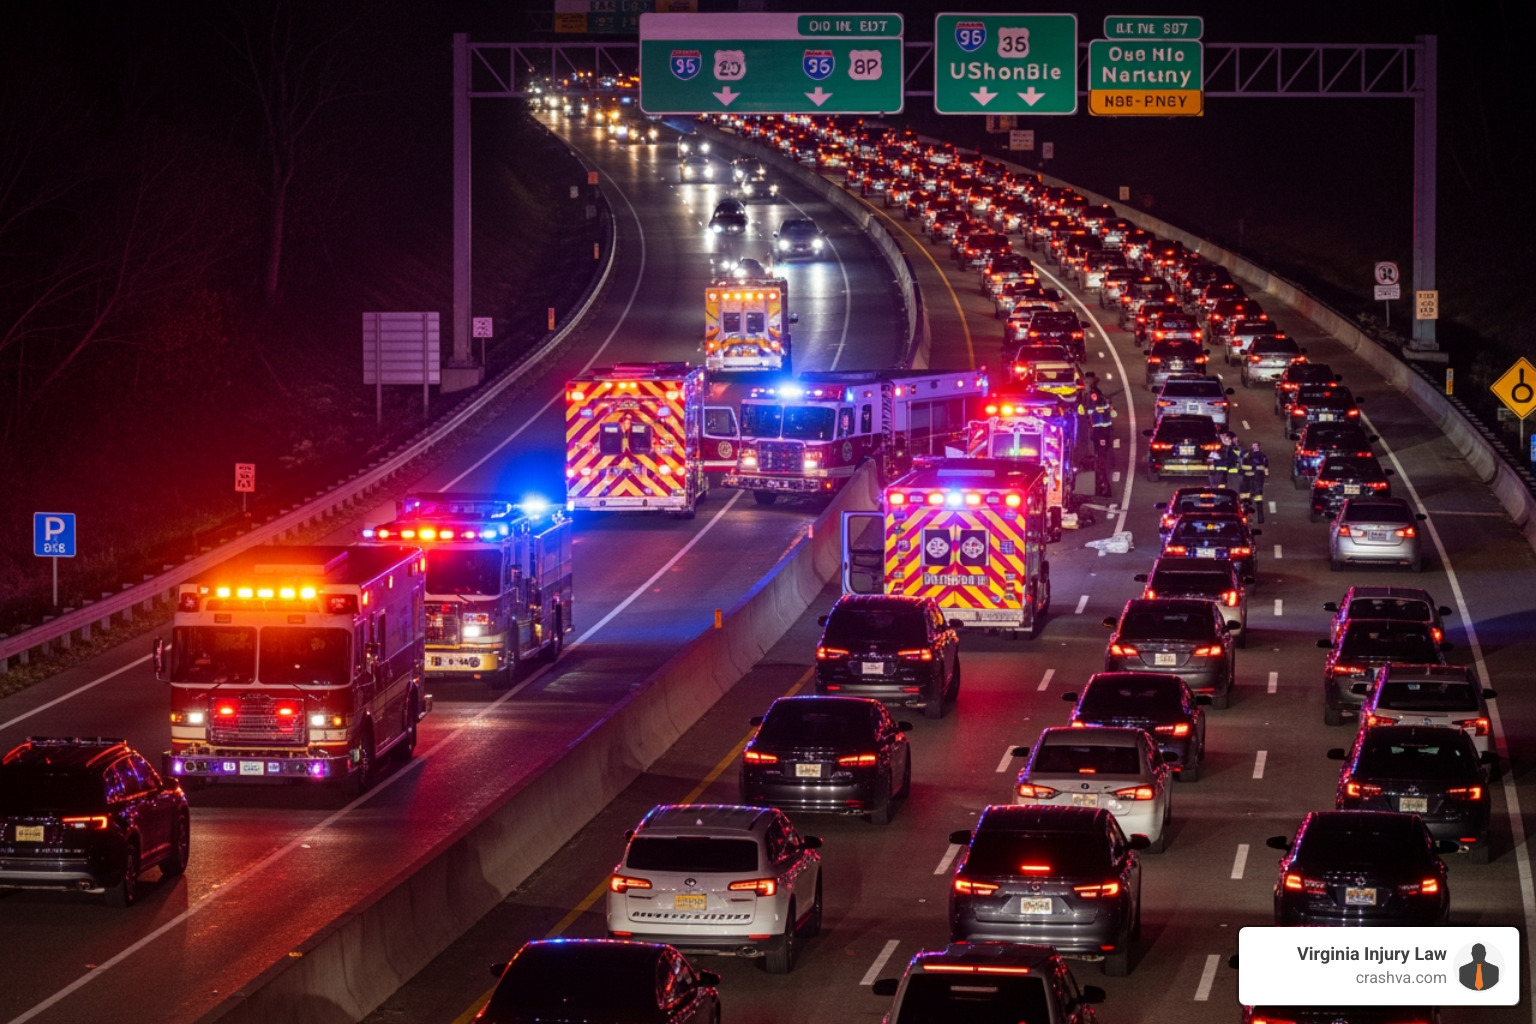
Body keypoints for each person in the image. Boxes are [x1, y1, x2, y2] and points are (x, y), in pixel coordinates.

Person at [1079, 384, 1116, 497]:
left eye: (1094, 395)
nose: (1093, 397)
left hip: (1102, 433)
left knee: (1102, 457)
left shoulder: (1101, 404)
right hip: (1099, 433)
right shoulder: (1097, 404)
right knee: (1101, 456)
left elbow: (1089, 413)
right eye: (1092, 395)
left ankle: (1105, 486)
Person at [1241, 441, 1269, 522]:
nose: (1255, 447)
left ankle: (1260, 519)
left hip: (1256, 480)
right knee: (1247, 499)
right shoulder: (1248, 455)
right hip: (1250, 480)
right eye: (1254, 446)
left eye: (1256, 446)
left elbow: (1266, 468)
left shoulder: (1262, 456)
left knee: (1258, 499)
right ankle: (1247, 517)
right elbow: (1242, 466)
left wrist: (1263, 473)